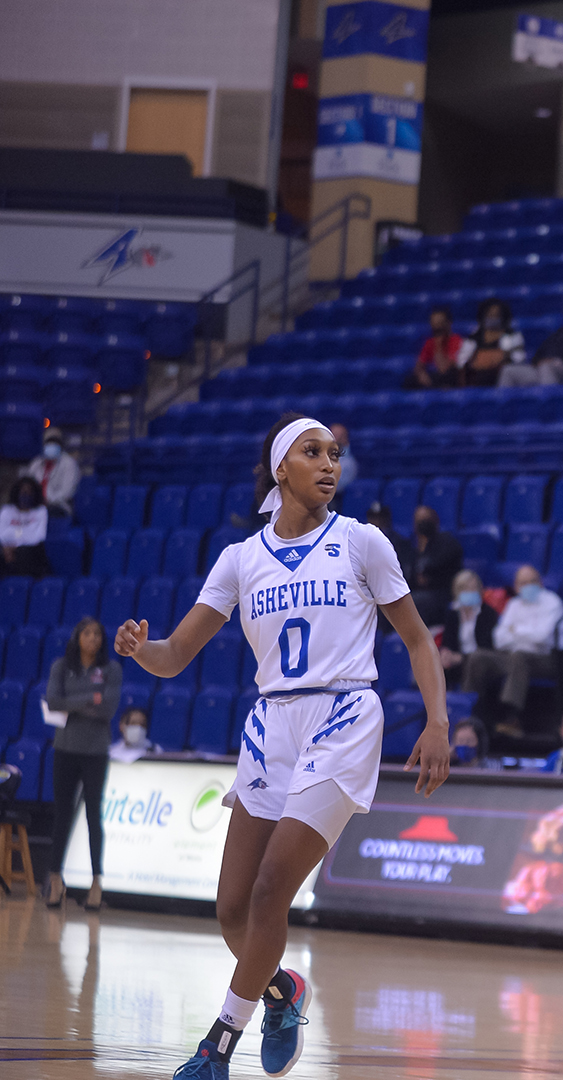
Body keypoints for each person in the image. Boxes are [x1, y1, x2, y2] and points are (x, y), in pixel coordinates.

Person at [116, 415, 449, 1080]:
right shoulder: (241, 559)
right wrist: (137, 649)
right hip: (272, 725)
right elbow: (177, 654)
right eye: (313, 452)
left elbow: (416, 637)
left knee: (272, 893)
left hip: (345, 711)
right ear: (280, 469)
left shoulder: (361, 542)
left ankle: (216, 1050)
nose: (330, 464)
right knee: (233, 910)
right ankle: (281, 993)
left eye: (334, 454)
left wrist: (437, 721)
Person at [42, 617, 121, 911]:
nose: (93, 639)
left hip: (95, 752)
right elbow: (52, 701)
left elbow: (107, 709)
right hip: (65, 749)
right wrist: (90, 698)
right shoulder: (61, 667)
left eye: (98, 633)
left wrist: (71, 702)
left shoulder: (111, 669)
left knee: (92, 817)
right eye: (87, 633)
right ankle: (54, 880)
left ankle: (96, 882)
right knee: (62, 814)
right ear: (78, 637)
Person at [461, 565, 563, 737]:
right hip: (514, 656)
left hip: (546, 659)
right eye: (523, 583)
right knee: (478, 656)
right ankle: (469, 711)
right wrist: (527, 633)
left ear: (540, 583)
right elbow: (499, 639)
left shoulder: (552, 602)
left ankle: (510, 717)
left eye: (532, 581)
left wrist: (515, 631)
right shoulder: (514, 604)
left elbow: (542, 638)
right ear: (516, 587)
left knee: (519, 657)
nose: (529, 586)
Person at [405, 506, 463, 630]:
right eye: (419, 521)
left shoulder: (447, 542)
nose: (423, 524)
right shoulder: (411, 549)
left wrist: (428, 576)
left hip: (441, 594)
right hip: (417, 592)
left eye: (426, 519)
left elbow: (442, 566)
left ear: (435, 520)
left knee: (414, 602)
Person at [437, 570, 495, 687]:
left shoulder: (487, 613)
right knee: (435, 663)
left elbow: (488, 646)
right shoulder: (452, 613)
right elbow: (447, 641)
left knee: (473, 664)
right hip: (455, 660)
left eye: (473, 589)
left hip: (480, 660)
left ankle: (469, 702)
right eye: (465, 589)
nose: (469, 592)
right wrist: (445, 653)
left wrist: (461, 658)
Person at [457, 297, 525, 389]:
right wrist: (481, 361)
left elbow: (519, 359)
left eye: (496, 315)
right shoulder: (472, 339)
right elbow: (461, 362)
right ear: (483, 316)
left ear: (503, 317)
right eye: (490, 314)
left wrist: (503, 357)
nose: (493, 317)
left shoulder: (513, 336)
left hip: (502, 378)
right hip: (477, 376)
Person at [22, 426, 80, 516]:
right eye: (49, 442)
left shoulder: (69, 464)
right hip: (34, 504)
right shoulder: (36, 463)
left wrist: (46, 500)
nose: (51, 445)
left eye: (55, 442)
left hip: (58, 506)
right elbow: (28, 484)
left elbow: (66, 493)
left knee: (46, 512)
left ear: (61, 444)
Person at [1, 477, 51, 578]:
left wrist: (15, 545)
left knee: (24, 552)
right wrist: (24, 532)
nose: (26, 495)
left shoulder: (41, 511)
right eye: (23, 492)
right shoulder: (7, 511)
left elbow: (38, 537)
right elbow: (2, 535)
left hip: (30, 553)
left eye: (29, 492)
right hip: (7, 550)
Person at [409, 306, 465, 389]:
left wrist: (438, 346)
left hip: (451, 378)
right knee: (410, 380)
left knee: (448, 376)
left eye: (440, 323)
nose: (437, 328)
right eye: (434, 324)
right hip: (435, 378)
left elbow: (444, 369)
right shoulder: (430, 342)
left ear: (448, 324)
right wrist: (421, 374)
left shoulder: (457, 341)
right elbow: (419, 366)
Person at [328, 424, 358, 495]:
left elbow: (339, 487)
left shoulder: (348, 463)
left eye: (336, 435)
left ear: (345, 438)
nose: (333, 438)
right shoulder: (322, 455)